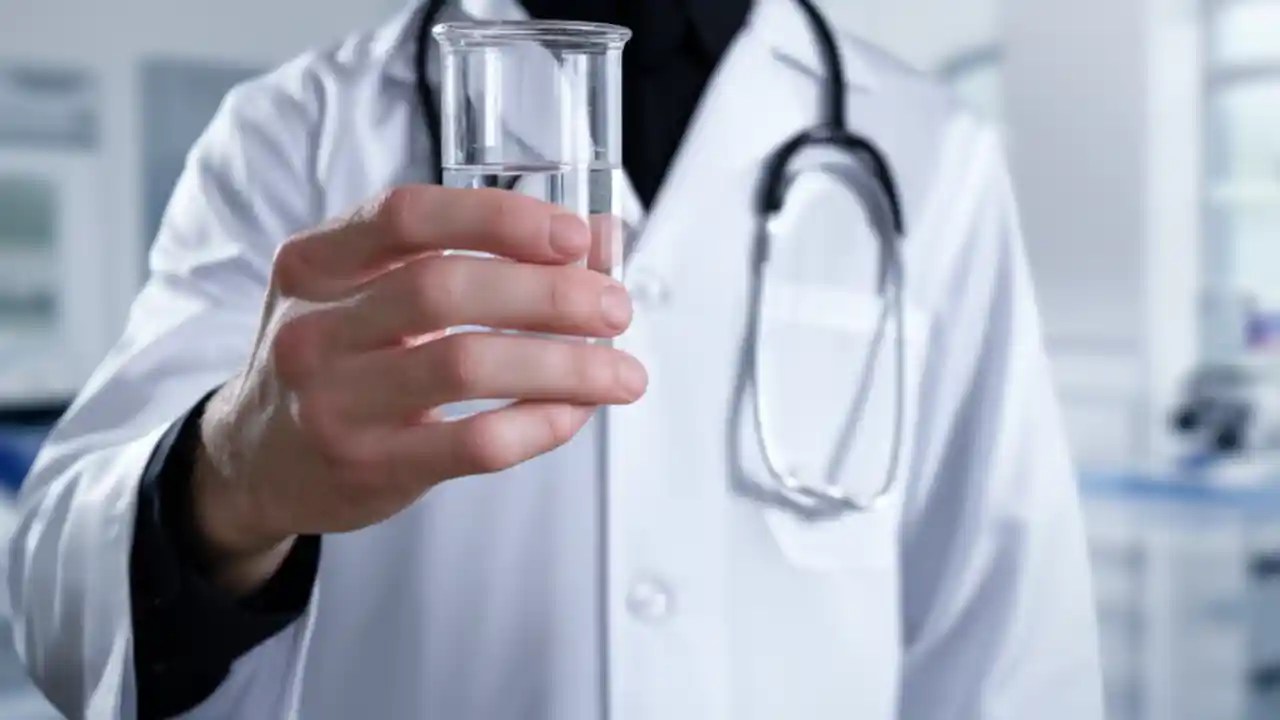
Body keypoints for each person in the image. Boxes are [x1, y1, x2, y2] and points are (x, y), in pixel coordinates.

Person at [8, 0, 1105, 718]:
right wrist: (227, 486)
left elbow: (1014, 642)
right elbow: (58, 616)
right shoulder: (298, 130)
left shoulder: (927, 150)